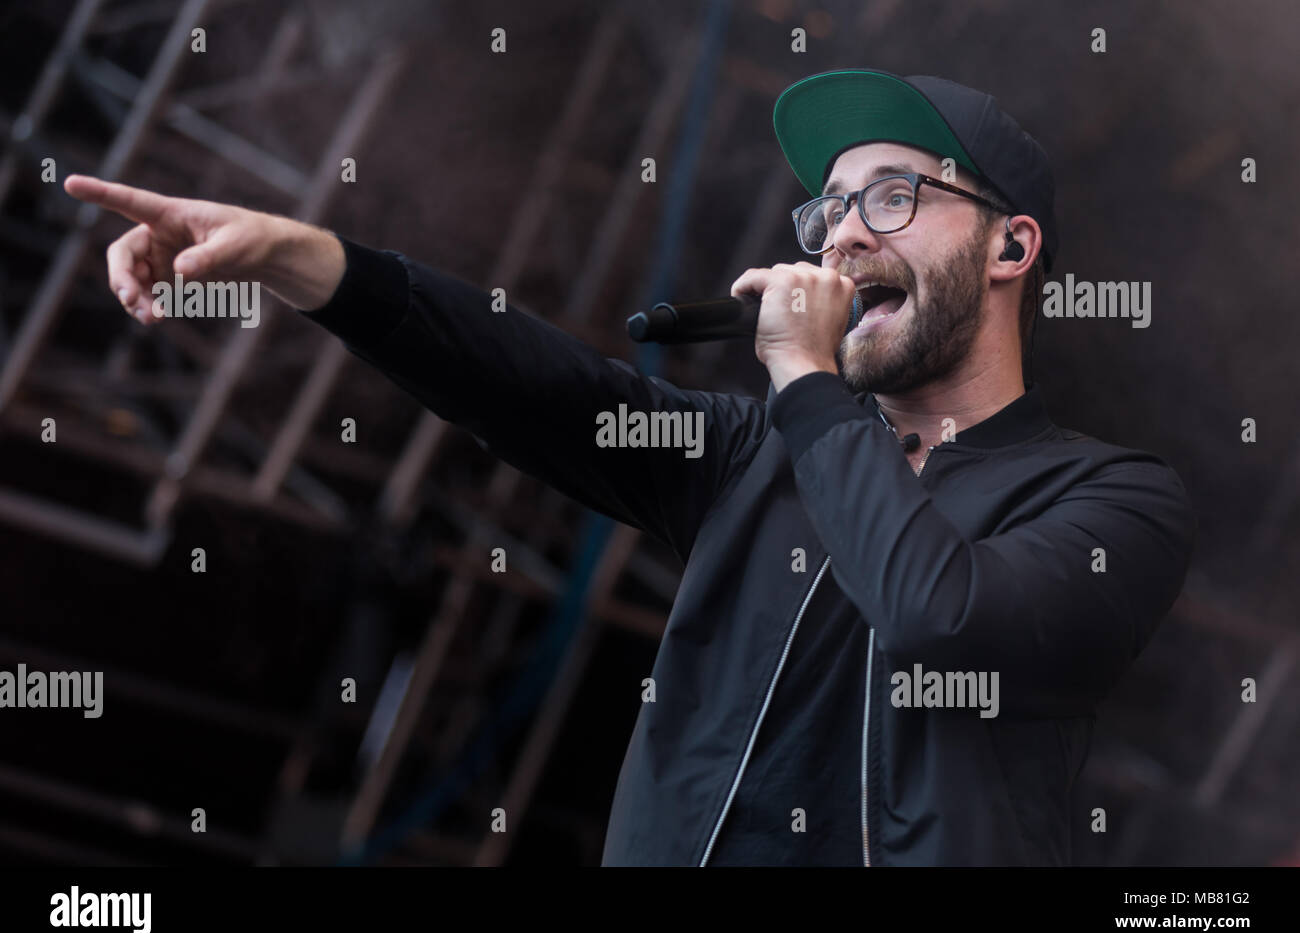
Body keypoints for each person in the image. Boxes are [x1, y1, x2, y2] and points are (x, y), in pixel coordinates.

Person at [65, 68, 1195, 866]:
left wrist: (802, 381)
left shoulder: (1110, 502)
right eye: (829, 208)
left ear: (1011, 246)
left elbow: (937, 611)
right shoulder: (757, 454)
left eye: (892, 196)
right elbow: (535, 385)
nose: (841, 236)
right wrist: (302, 257)